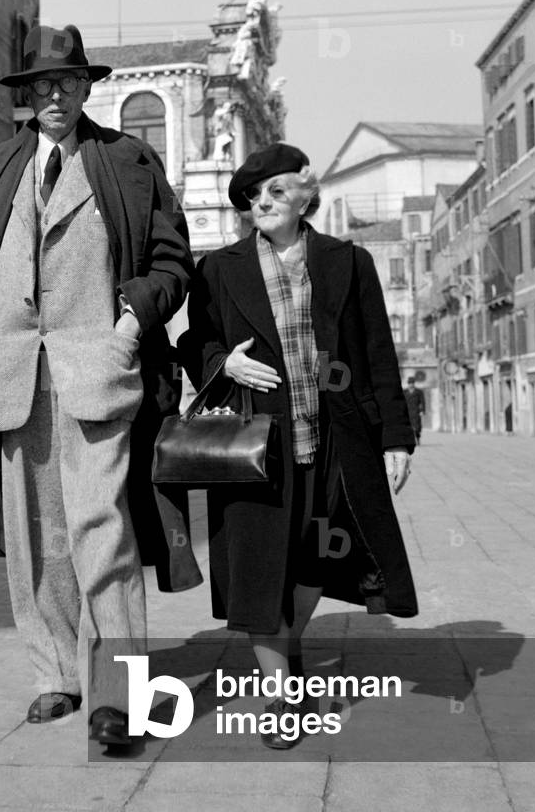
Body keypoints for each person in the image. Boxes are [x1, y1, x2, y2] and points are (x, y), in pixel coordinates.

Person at [0, 23, 201, 748]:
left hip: (97, 372)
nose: (52, 96)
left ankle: (119, 695)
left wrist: (126, 326)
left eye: (65, 83)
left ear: (88, 88)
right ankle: (54, 675)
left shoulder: (127, 160)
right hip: (14, 376)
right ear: (25, 98)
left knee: (102, 531)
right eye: (38, 88)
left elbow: (170, 262)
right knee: (36, 538)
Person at [178, 142, 418, 750]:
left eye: (275, 191)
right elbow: (195, 343)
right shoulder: (219, 269)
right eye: (251, 197)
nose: (261, 202)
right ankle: (282, 694)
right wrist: (222, 360)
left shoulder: (348, 261)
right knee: (258, 571)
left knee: (317, 560)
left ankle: (285, 651)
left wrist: (396, 438)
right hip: (257, 444)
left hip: (337, 439)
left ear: (304, 196)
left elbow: (378, 354)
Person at [404, 376, 426, 444]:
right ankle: (411, 441)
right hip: (407, 412)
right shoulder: (404, 392)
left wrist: (422, 411)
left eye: (412, 383)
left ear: (414, 383)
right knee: (409, 428)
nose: (411, 384)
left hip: (416, 412)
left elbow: (422, 402)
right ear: (408, 384)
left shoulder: (419, 392)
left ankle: (418, 438)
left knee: (417, 427)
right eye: (410, 383)